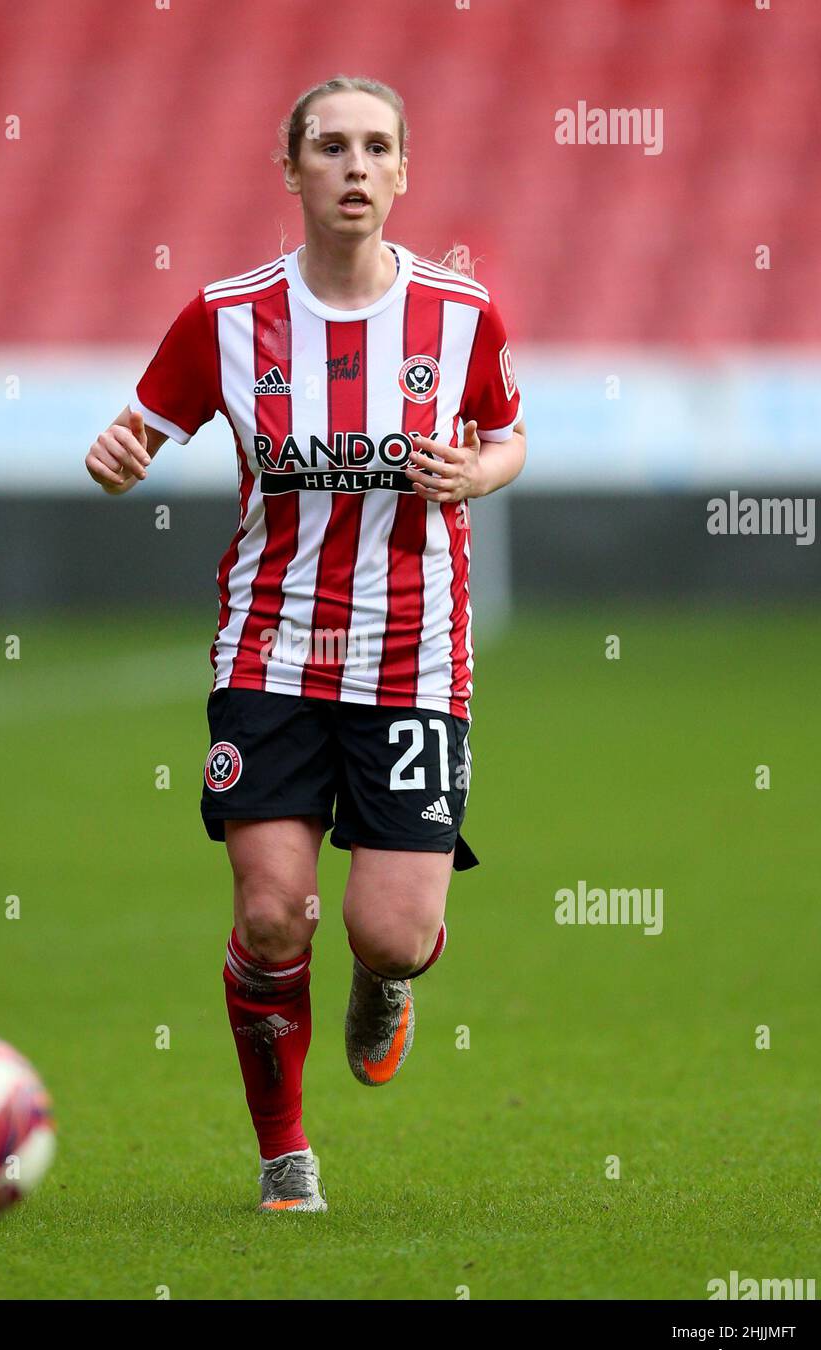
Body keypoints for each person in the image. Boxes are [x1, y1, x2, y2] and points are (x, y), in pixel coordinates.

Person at [84, 75, 526, 1212]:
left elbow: (508, 432)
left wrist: (475, 471)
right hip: (271, 653)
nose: (354, 167)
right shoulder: (227, 317)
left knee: (388, 931)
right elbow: (145, 422)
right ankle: (285, 1153)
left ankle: (383, 982)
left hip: (413, 658)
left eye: (377, 147)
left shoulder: (458, 313)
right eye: (329, 147)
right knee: (270, 909)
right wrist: (121, 452)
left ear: (403, 173)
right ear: (291, 171)